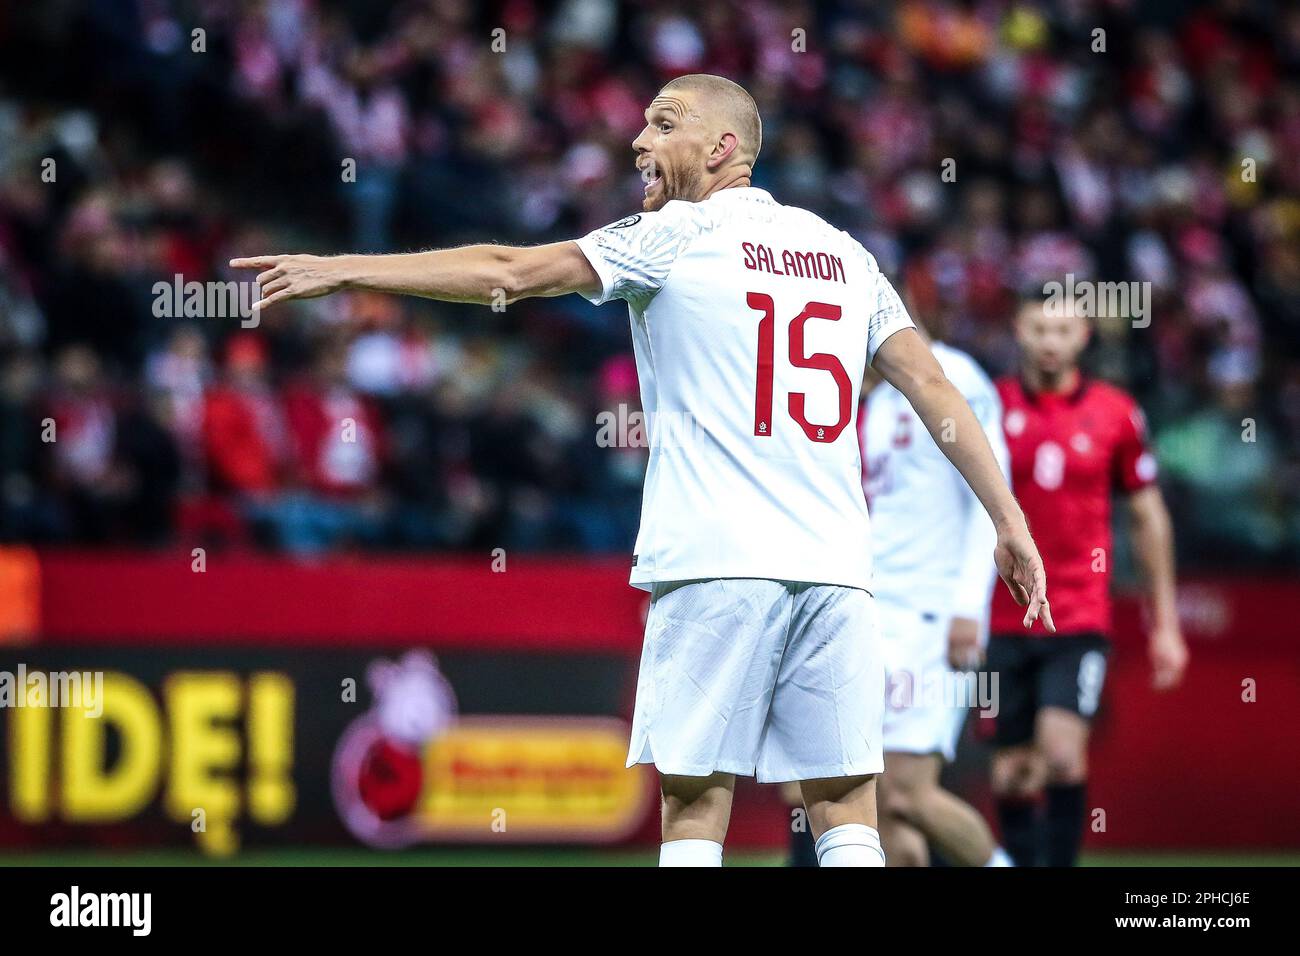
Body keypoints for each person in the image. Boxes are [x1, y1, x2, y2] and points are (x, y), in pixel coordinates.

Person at [232, 73, 1053, 867]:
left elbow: (508, 274)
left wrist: (343, 269)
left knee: (696, 807)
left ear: (724, 146)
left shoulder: (670, 237)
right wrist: (1010, 523)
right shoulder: (845, 256)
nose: (639, 139)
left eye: (664, 124)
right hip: (837, 572)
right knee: (845, 808)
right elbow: (935, 388)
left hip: (713, 563)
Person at [986, 297, 1188, 867]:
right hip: (1000, 613)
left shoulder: (1116, 412)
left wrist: (1165, 624)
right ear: (1018, 329)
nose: (1050, 340)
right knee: (1010, 772)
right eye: (1038, 327)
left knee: (1061, 755)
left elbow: (1149, 518)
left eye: (1063, 328)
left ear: (1084, 335)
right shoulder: (987, 406)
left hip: (1077, 613)